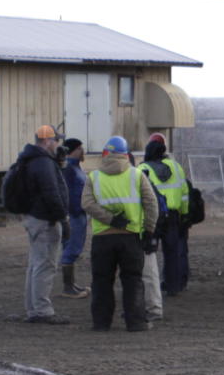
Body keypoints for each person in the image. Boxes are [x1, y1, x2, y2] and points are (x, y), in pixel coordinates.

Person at [82, 135, 161, 332]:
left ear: (105, 154)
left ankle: (101, 323)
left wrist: (110, 219)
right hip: (131, 237)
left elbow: (87, 204)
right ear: (126, 155)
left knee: (101, 281)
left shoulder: (94, 177)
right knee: (133, 280)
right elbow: (151, 204)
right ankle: (136, 323)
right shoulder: (137, 175)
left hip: (102, 238)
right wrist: (149, 230)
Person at [19, 125, 70, 324]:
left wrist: (58, 164)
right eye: (56, 140)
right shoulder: (43, 163)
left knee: (35, 265)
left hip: (34, 218)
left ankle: (33, 308)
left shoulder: (31, 160)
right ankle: (42, 310)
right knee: (45, 265)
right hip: (45, 220)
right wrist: (63, 218)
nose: (57, 144)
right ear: (47, 141)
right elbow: (51, 193)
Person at [139, 132, 191, 298]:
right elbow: (184, 193)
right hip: (173, 216)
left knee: (148, 253)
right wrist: (184, 213)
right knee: (172, 252)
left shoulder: (142, 169)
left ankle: (149, 287)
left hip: (152, 217)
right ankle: (173, 286)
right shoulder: (176, 167)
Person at [57, 138, 89, 298]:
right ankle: (68, 288)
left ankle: (71, 284)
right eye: (80, 148)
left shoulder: (75, 167)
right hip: (74, 215)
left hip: (79, 214)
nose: (83, 151)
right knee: (71, 249)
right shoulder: (69, 169)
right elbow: (67, 194)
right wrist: (73, 212)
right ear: (73, 151)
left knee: (73, 248)